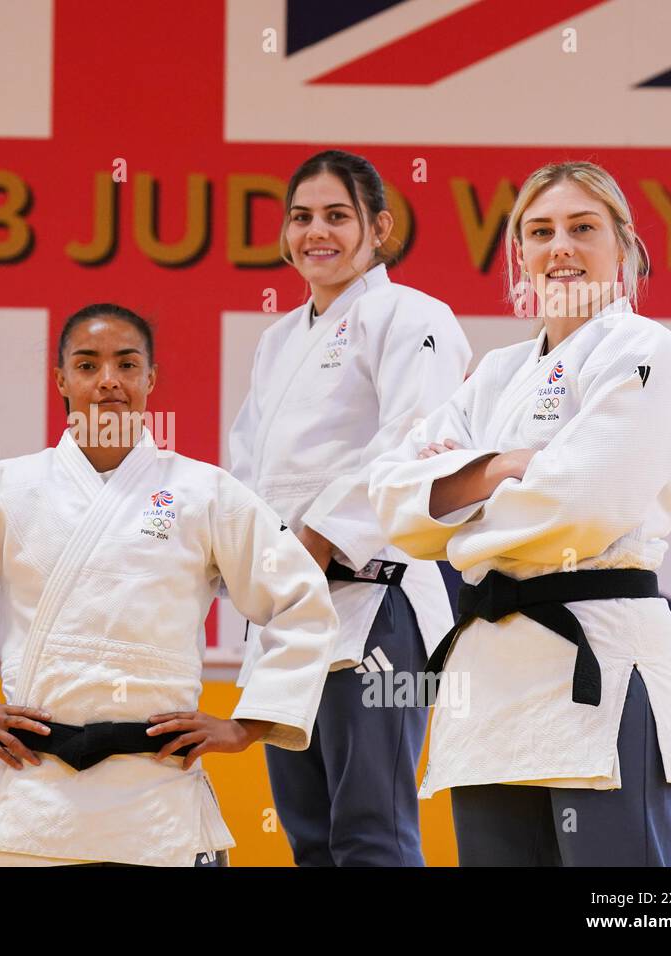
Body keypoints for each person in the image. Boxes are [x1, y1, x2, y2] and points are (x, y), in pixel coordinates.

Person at [0, 304, 340, 866]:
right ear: (61, 380)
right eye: (87, 365)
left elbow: (303, 600)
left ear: (150, 379)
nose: (108, 380)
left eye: (126, 364)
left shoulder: (203, 493)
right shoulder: (11, 488)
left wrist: (249, 724)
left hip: (161, 808)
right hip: (35, 808)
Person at [368, 161, 671, 866]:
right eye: (540, 231)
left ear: (623, 248)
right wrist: (501, 467)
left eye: (582, 228)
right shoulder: (496, 373)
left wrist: (460, 511)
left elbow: (581, 502)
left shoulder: (647, 352)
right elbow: (392, 501)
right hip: (491, 678)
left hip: (597, 661)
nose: (559, 245)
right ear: (519, 254)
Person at [228, 150, 470, 865]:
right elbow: (249, 468)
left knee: (372, 831)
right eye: (301, 218)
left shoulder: (414, 315)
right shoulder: (278, 340)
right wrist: (250, 556)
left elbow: (418, 439)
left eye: (337, 216)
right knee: (310, 834)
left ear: (379, 227)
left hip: (377, 606)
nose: (316, 233)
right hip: (287, 612)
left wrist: (320, 536)